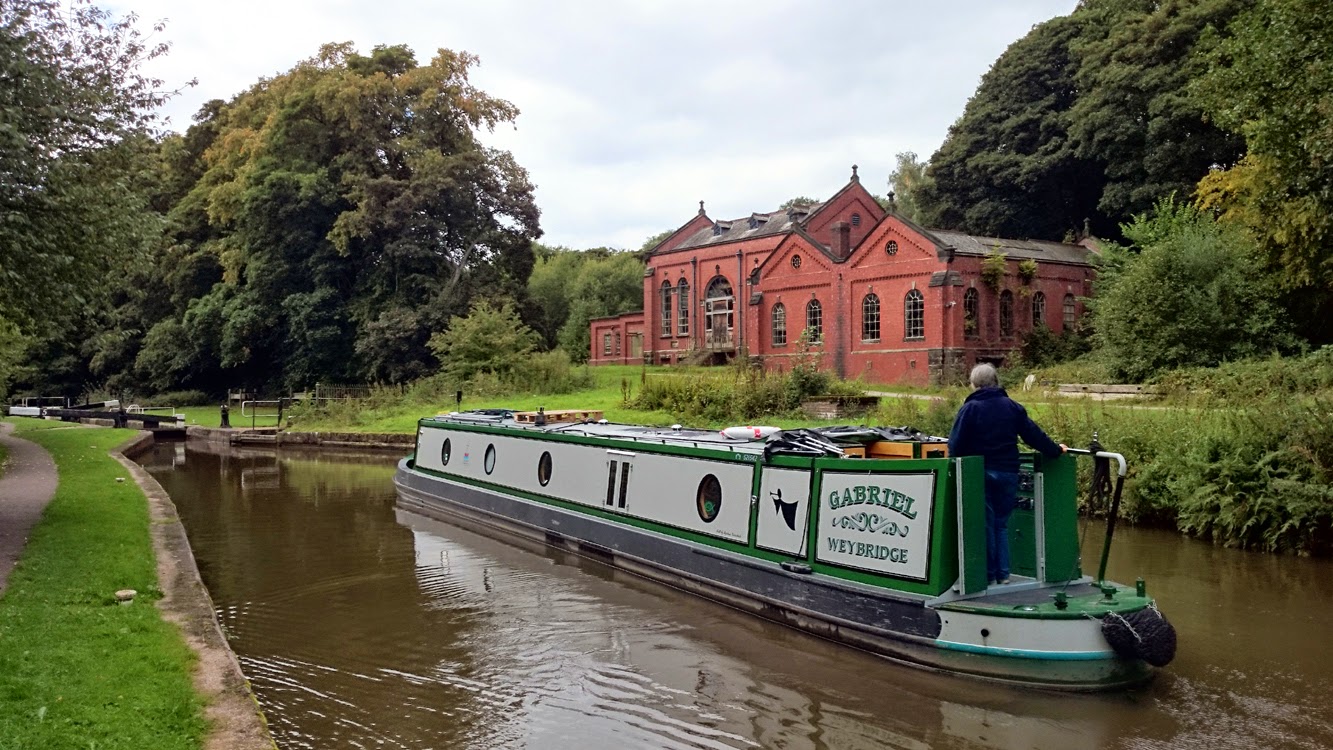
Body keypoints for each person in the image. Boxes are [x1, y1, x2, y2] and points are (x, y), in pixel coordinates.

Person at [948, 363, 1065, 586]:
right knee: (1001, 524)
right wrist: (1056, 450)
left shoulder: (970, 409)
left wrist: (956, 466)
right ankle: (1003, 574)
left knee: (986, 523)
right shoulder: (1012, 407)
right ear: (996, 381)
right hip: (1008, 471)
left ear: (974, 385)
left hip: (980, 472)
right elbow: (1034, 436)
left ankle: (990, 575)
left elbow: (955, 444)